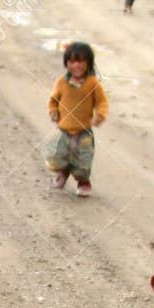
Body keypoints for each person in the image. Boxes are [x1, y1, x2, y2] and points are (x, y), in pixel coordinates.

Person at [47, 42, 108, 197]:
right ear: (66, 63)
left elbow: (102, 102)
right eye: (72, 62)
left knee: (83, 161)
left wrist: (99, 115)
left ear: (88, 63)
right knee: (58, 157)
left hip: (83, 131)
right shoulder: (61, 82)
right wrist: (53, 111)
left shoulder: (93, 84)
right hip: (64, 130)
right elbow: (53, 100)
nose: (76, 65)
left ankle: (83, 182)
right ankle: (63, 173)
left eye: (81, 61)